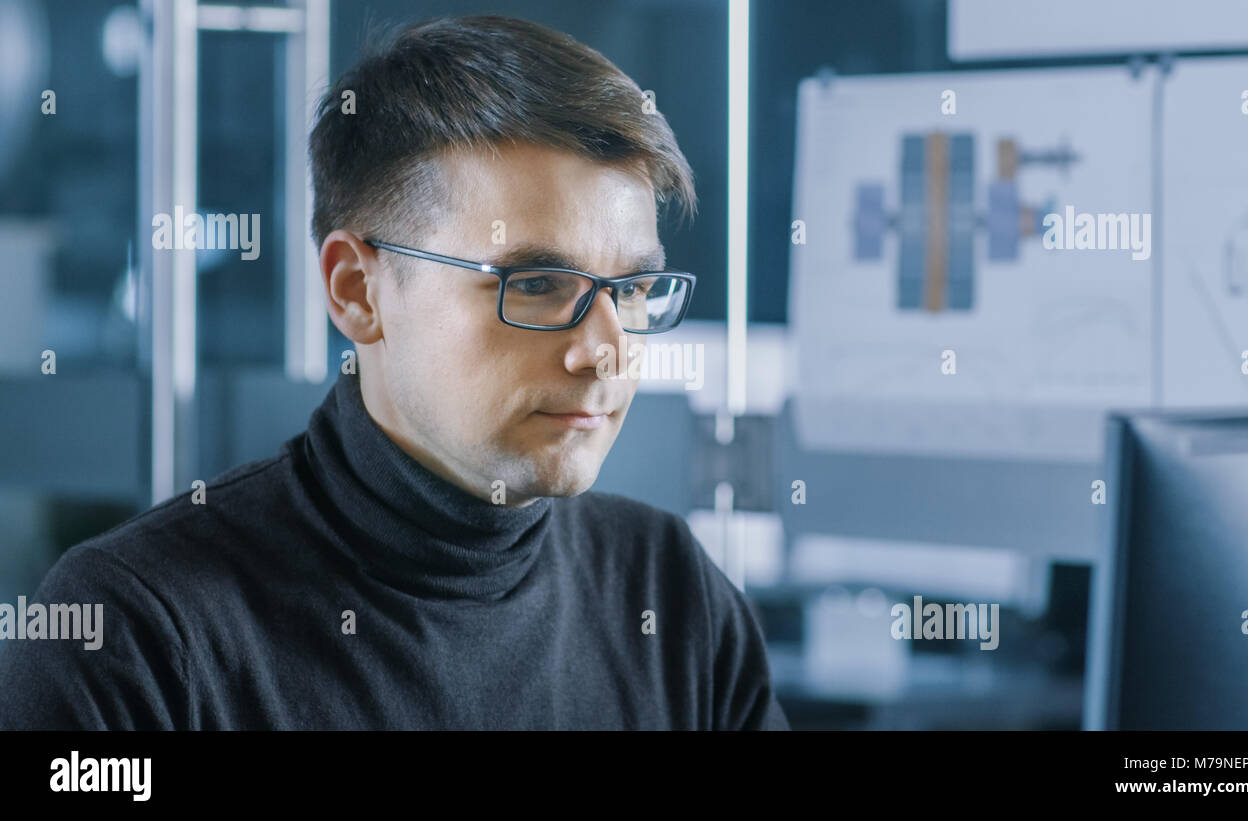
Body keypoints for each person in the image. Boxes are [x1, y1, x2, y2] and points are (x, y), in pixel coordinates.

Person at [0, 14, 789, 730]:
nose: (606, 349)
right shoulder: (137, 633)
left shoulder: (669, 593)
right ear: (358, 290)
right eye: (538, 284)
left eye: (634, 289)